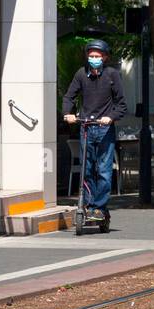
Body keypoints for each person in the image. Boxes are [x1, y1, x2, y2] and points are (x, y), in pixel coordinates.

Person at [61, 39, 128, 228]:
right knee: (86, 169)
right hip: (86, 127)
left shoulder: (112, 75)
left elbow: (121, 104)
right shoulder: (81, 74)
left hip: (105, 128)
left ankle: (99, 207)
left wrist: (111, 117)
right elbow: (69, 97)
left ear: (105, 57)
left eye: (97, 56)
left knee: (104, 171)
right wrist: (68, 113)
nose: (94, 59)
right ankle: (88, 205)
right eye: (91, 56)